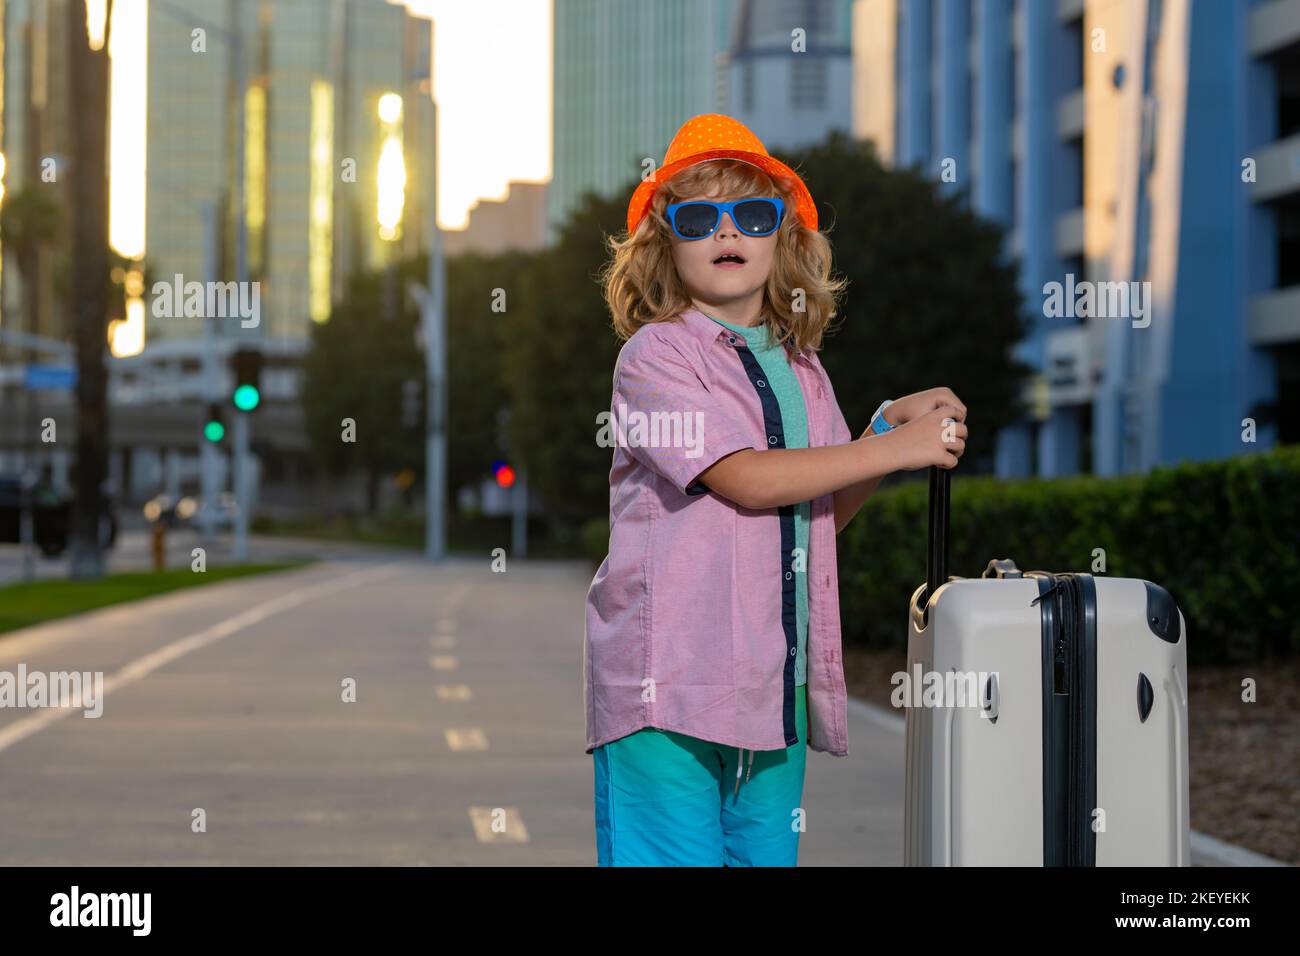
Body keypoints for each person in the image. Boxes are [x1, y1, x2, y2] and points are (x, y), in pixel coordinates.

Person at [584, 113, 969, 866]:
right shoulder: (654, 357)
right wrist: (897, 442)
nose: (727, 231)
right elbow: (745, 480)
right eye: (698, 217)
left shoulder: (802, 368)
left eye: (751, 213)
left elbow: (819, 513)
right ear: (665, 241)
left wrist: (881, 434)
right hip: (666, 693)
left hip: (769, 691)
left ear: (781, 235)